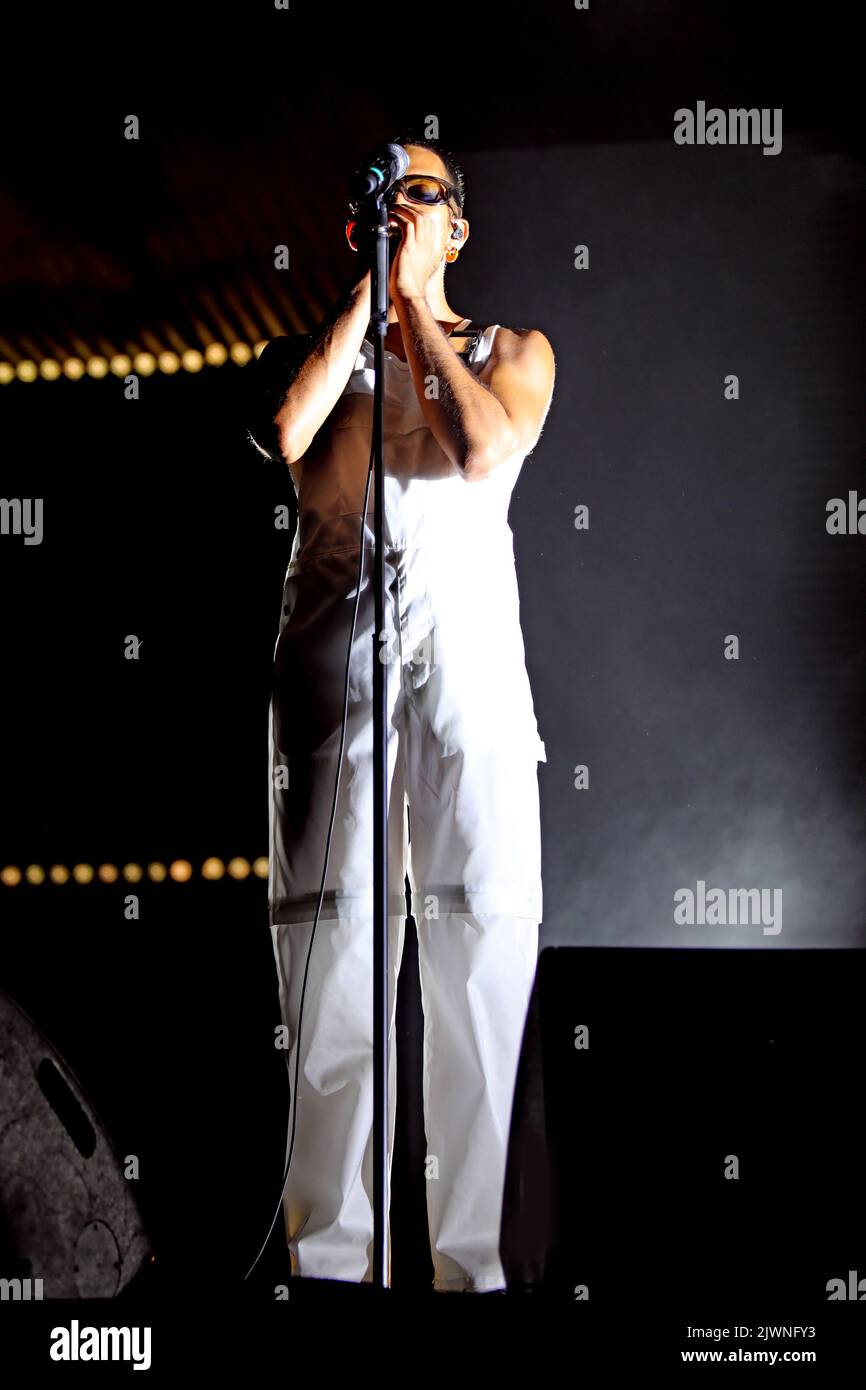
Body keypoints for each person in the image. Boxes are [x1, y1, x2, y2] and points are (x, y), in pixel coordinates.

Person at [246, 135, 555, 1293]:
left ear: (457, 226)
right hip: (335, 683)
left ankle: (472, 1272)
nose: (397, 210)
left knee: (480, 955)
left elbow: (481, 448)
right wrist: (371, 302)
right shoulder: (310, 356)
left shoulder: (511, 351)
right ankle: (331, 1268)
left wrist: (418, 308)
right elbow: (284, 429)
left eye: (419, 195)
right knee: (331, 966)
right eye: (379, 199)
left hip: (468, 683)